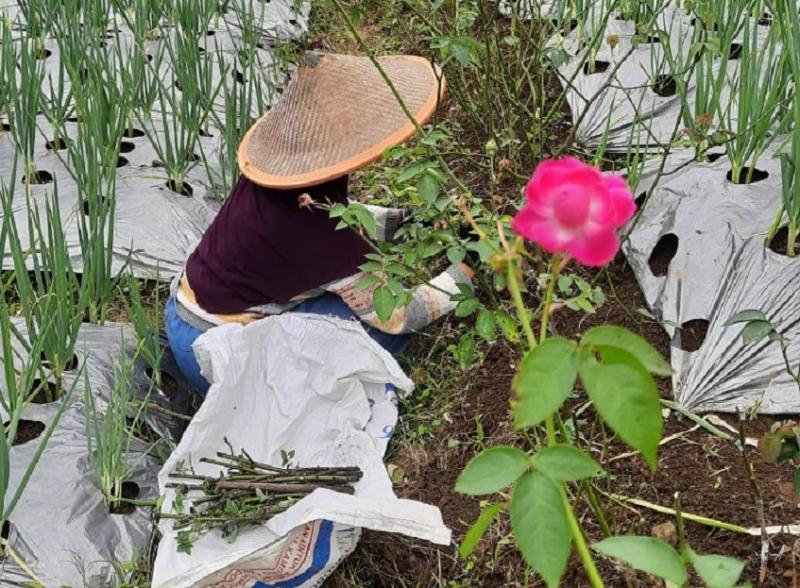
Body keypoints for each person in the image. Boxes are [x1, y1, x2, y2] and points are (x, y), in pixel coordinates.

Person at [165, 52, 474, 395]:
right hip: (214, 356)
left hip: (188, 305)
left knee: (341, 308)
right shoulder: (321, 242)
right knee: (375, 340)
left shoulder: (276, 182)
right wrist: (468, 269)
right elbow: (403, 314)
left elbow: (343, 214)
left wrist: (411, 222)